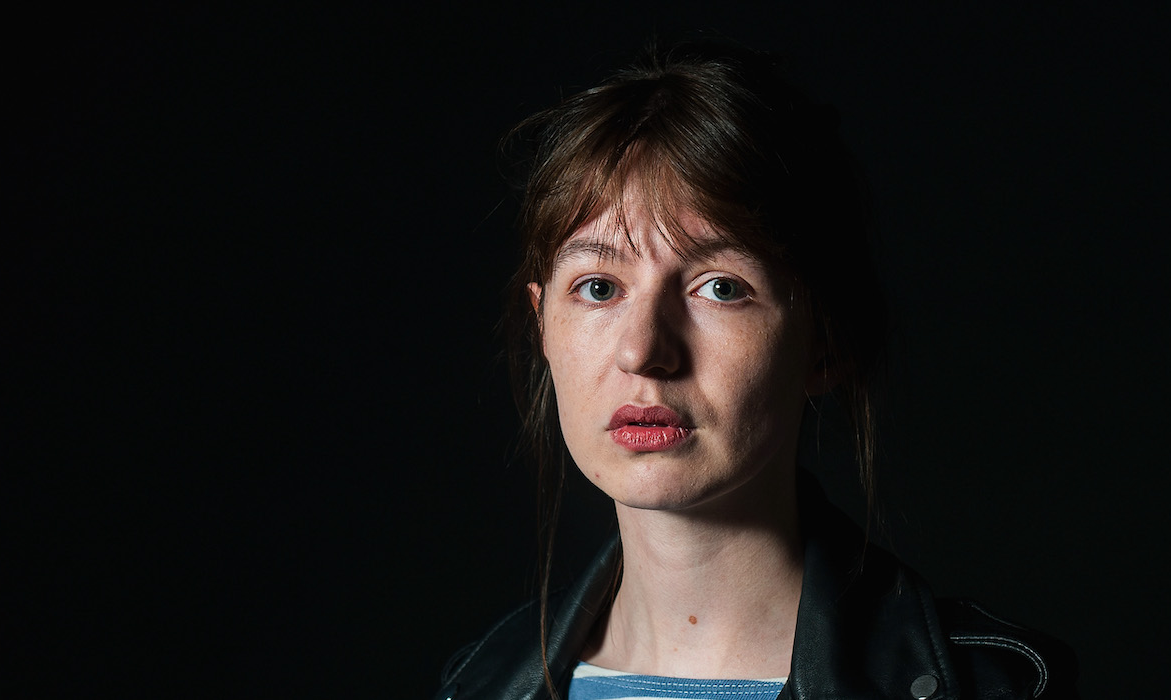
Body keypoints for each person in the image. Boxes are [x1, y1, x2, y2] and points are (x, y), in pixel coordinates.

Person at [435, 42, 1078, 700]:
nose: (645, 351)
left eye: (720, 288)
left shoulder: (997, 689)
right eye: (599, 288)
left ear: (824, 343)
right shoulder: (477, 686)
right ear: (543, 324)